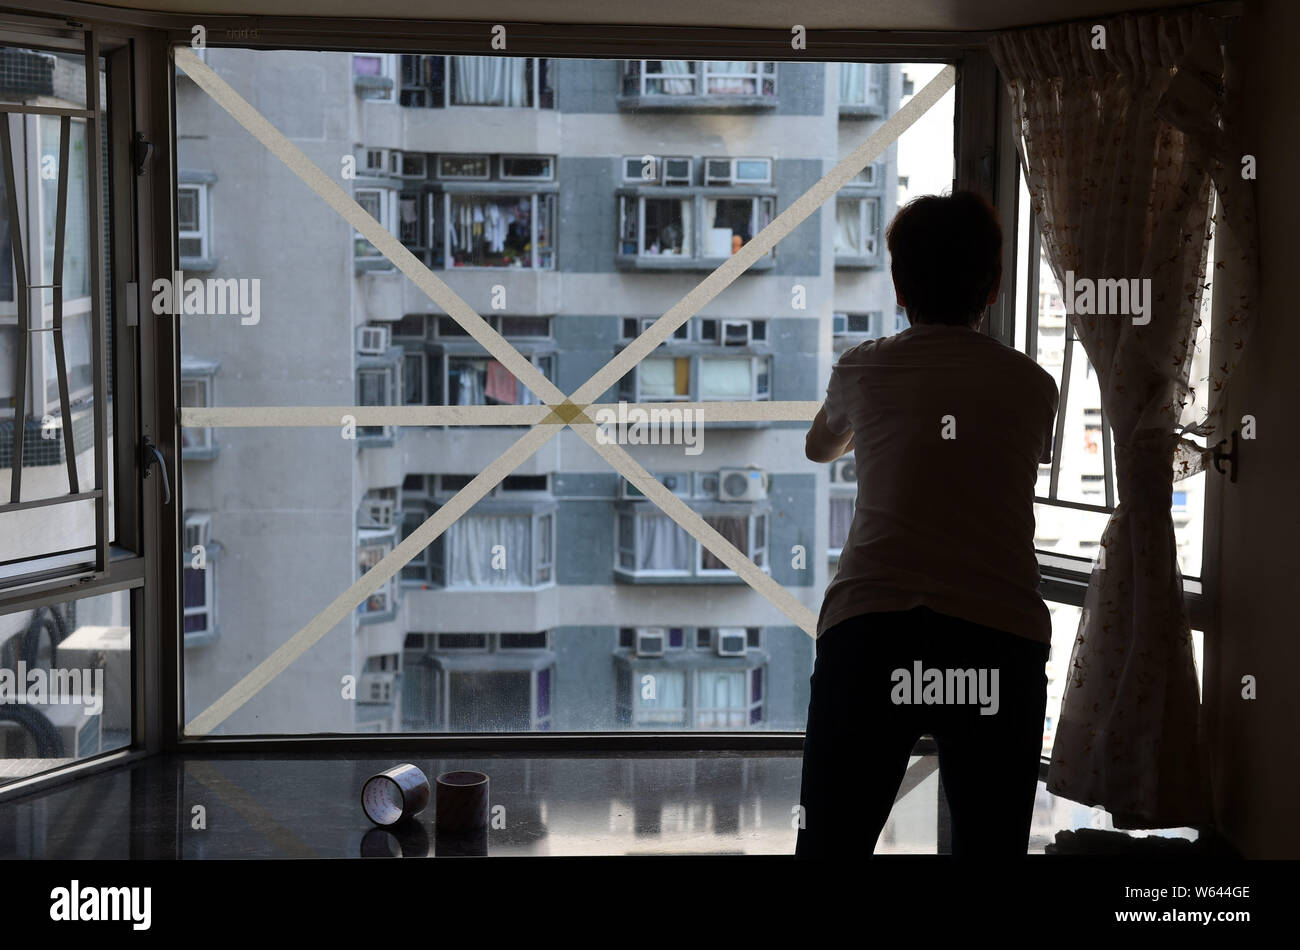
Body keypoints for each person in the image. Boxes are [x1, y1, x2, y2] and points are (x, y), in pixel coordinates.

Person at [796, 191, 1059, 858]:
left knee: (832, 840)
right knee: (991, 845)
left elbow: (818, 448)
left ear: (898, 284)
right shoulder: (1033, 384)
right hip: (997, 633)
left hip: (871, 630)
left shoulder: (862, 368)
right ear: (994, 285)